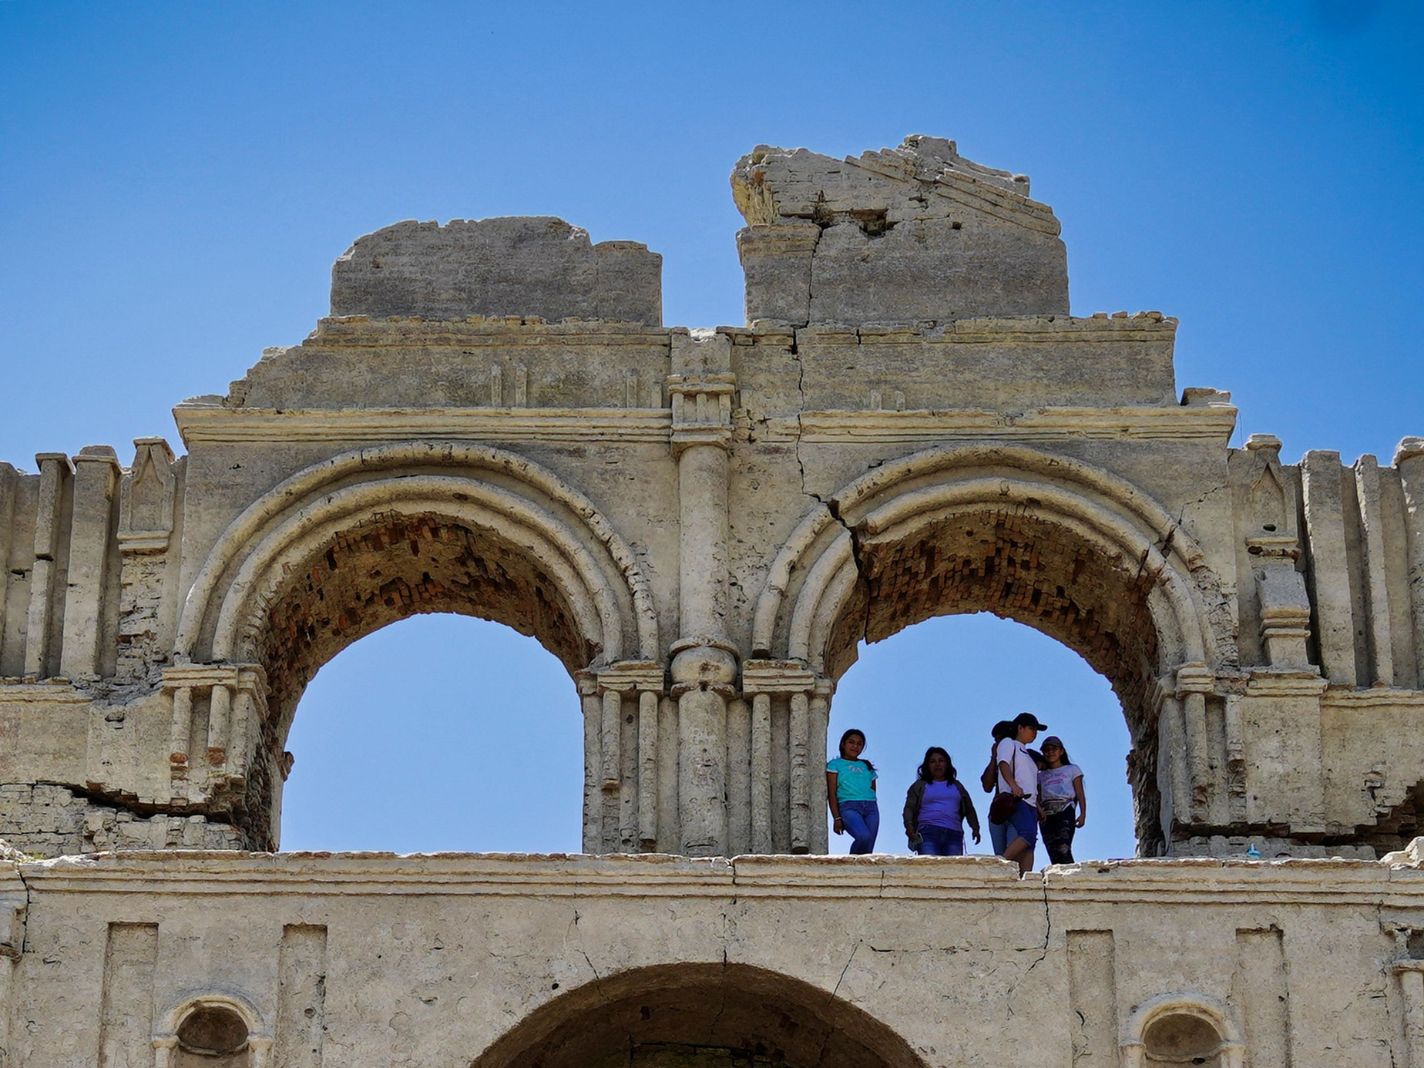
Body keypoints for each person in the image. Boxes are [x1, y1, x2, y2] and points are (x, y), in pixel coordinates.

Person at [903, 746, 981, 855]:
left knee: (952, 871)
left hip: (954, 834)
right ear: (927, 765)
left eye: (941, 761)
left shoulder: (957, 786)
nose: (937, 764)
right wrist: (909, 827)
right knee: (930, 868)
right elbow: (909, 808)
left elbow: (969, 808)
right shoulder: (919, 786)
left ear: (947, 764)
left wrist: (975, 828)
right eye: (932, 761)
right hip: (927, 833)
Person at [996, 711, 1048, 874]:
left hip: (1030, 804)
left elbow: (1031, 784)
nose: (1035, 733)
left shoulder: (1028, 755)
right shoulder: (1008, 743)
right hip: (1017, 799)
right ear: (1020, 728)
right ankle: (1001, 864)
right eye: (1032, 728)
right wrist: (1013, 785)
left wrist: (1038, 807)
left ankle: (1026, 879)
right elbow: (1003, 764)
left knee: (1031, 842)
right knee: (1027, 834)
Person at [826, 728, 879, 854]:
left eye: (859, 743)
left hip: (871, 808)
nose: (855, 746)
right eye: (851, 742)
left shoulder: (867, 766)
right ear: (843, 744)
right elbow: (831, 793)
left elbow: (872, 790)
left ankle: (861, 873)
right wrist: (837, 818)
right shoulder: (835, 764)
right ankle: (851, 864)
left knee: (868, 847)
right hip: (848, 807)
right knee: (863, 836)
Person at [1037, 735, 1086, 865]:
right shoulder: (1040, 775)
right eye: (1046, 750)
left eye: (1054, 749)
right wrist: (1039, 810)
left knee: (1063, 847)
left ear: (1061, 751)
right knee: (1051, 849)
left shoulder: (1072, 769)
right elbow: (1037, 795)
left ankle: (1071, 876)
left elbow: (1080, 792)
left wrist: (1082, 814)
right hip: (1046, 813)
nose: (1050, 752)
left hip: (1065, 809)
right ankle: (1059, 878)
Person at [980, 720, 1015, 855]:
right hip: (999, 811)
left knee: (1015, 853)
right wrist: (994, 757)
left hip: (1017, 809)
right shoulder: (997, 761)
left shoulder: (1023, 755)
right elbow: (987, 786)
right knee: (1000, 856)